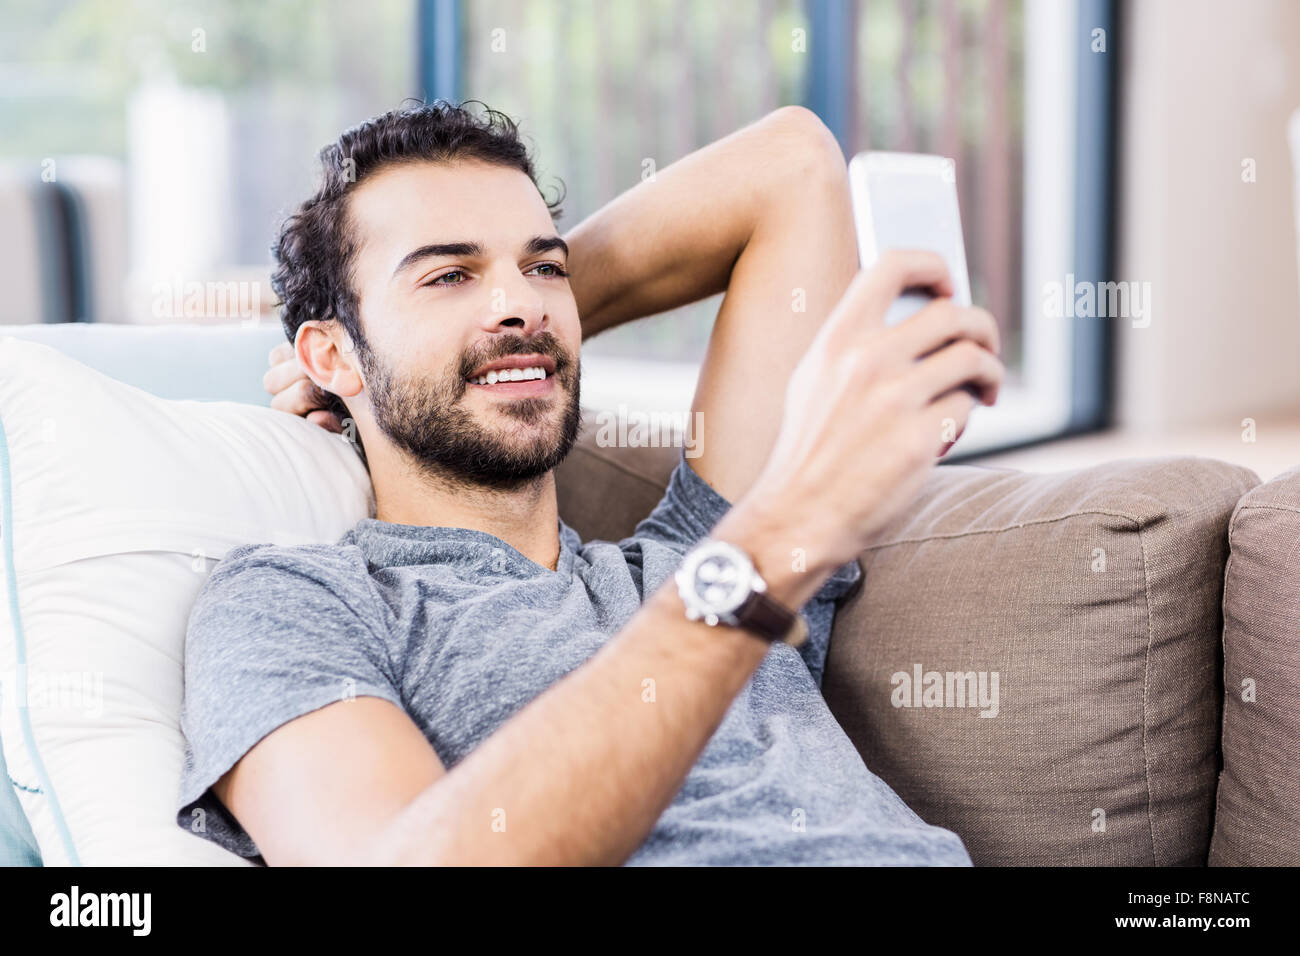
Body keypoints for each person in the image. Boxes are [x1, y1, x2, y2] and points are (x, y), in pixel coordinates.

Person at [175, 100, 1004, 865]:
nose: (522, 303)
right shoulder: (292, 601)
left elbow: (790, 164)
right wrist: (757, 556)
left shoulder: (686, 553)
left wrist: (503, 337)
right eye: (446, 275)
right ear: (329, 354)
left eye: (547, 269)